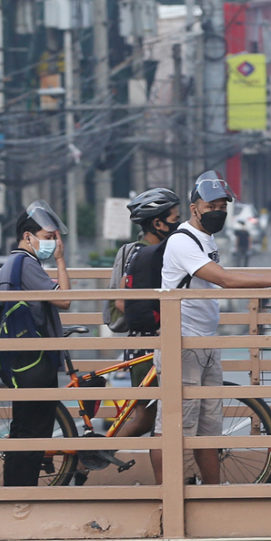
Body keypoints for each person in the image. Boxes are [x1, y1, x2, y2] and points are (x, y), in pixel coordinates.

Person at [162, 172, 271, 485]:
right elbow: (225, 279)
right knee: (175, 425)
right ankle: (167, 497)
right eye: (211, 205)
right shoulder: (181, 240)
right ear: (194, 207)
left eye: (222, 205)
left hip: (206, 343)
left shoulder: (207, 238)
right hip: (182, 344)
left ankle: (214, 494)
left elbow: (222, 274)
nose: (219, 211)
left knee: (210, 426)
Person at [0, 204, 71, 488]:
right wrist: (61, 261)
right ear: (28, 237)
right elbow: (64, 299)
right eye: (49, 237)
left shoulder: (11, 265)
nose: (54, 243)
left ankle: (15, 492)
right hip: (35, 361)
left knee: (23, 426)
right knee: (35, 430)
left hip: (19, 360)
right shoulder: (27, 264)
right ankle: (22, 496)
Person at [108, 188, 180, 478]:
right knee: (149, 419)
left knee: (152, 417)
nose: (179, 223)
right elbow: (124, 301)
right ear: (158, 224)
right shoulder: (143, 255)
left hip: (148, 341)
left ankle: (96, 453)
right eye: (175, 218)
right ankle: (93, 454)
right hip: (149, 344)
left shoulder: (145, 251)